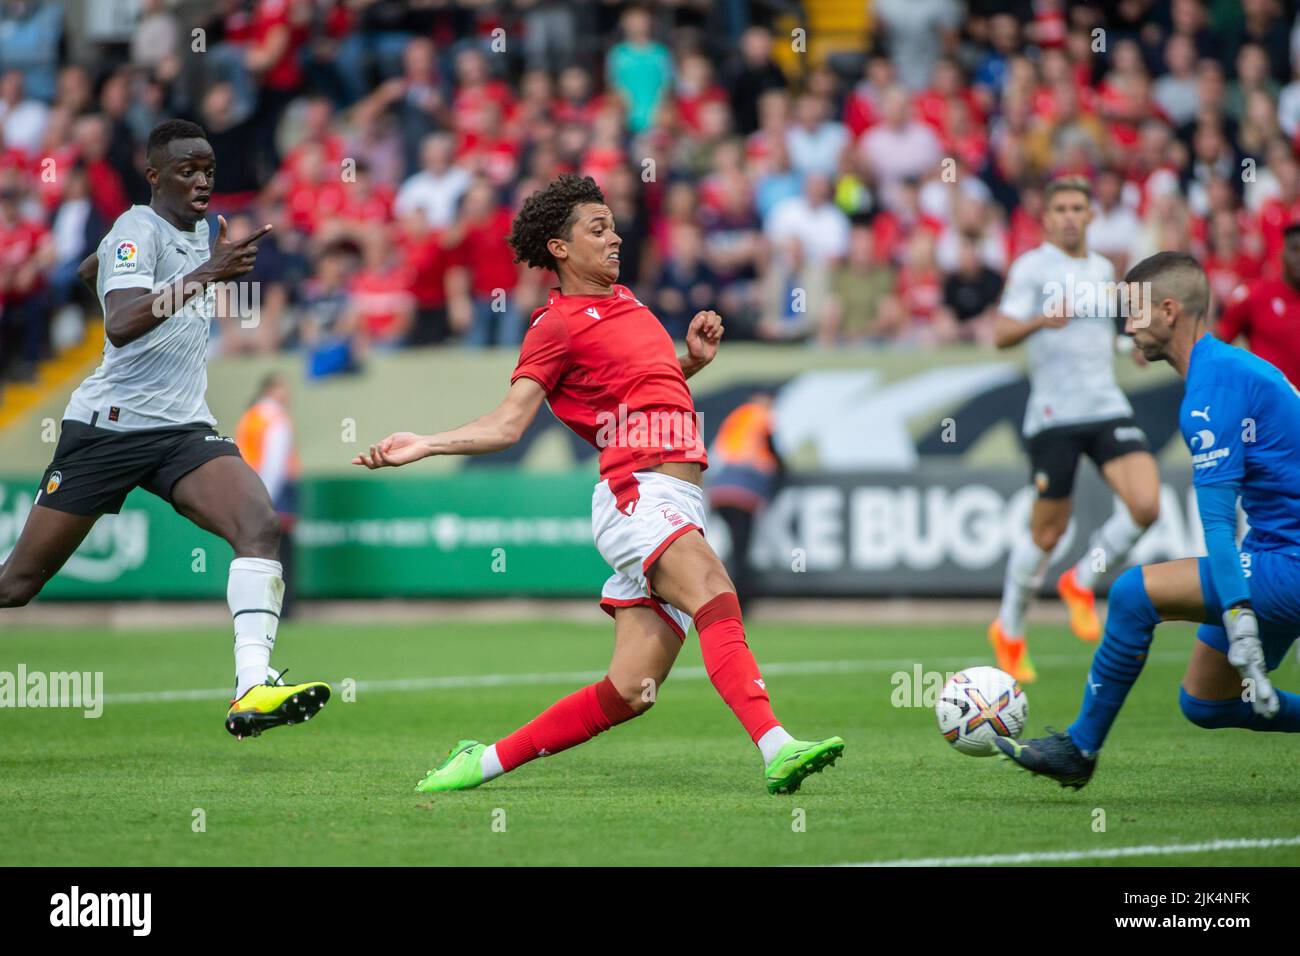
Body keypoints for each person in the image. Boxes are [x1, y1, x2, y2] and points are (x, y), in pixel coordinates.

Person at [354, 174, 843, 795]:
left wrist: (686, 360)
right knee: (717, 591)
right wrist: (426, 442)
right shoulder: (554, 325)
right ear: (560, 248)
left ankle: (481, 761)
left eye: (612, 226)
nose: (615, 238)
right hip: (637, 493)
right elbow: (508, 423)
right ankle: (777, 747)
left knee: (630, 692)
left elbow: (640, 387)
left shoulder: (629, 303)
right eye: (598, 229)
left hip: (675, 497)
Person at [0, 120, 329, 739]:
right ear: (155, 176)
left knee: (258, 523)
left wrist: (112, 267)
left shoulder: (199, 231)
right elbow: (121, 322)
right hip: (108, 429)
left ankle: (252, 687)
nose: (202, 179)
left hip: (182, 429)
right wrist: (209, 273)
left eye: (208, 168)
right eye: (186, 170)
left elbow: (90, 273)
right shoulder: (138, 226)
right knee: (15, 586)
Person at [999, 252, 1300, 788]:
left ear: (1167, 312)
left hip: (1288, 561)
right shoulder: (1229, 370)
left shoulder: (1212, 392)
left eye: (1134, 314)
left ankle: (1080, 749)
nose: (1127, 327)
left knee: (1135, 592)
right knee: (1204, 702)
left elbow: (1216, 527)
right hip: (1275, 550)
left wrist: (1239, 616)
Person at [989, 176, 1161, 684]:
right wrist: (1040, 321)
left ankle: (1082, 582)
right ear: (1046, 217)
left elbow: (1100, 335)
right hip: (1054, 415)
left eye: (1077, 208)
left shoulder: (1104, 269)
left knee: (1147, 505)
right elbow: (1000, 334)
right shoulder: (1031, 268)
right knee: (1048, 532)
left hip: (1106, 405)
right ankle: (1010, 629)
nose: (1068, 216)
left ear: (1090, 216)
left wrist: (1131, 347)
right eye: (1059, 207)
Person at [706, 393, 781, 614]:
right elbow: (775, 453)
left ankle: (723, 595)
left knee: (731, 549)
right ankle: (738, 603)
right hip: (743, 494)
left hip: (719, 491)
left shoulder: (736, 417)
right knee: (741, 553)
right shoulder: (761, 416)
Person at [235, 372, 300, 618]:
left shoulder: (250, 417)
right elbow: (275, 461)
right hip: (276, 491)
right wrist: (267, 497)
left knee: (254, 549)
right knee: (282, 552)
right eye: (282, 388)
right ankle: (284, 607)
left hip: (250, 487)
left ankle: (255, 604)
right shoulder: (275, 418)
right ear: (270, 390)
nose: (287, 395)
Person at [1216, 221, 1300, 386]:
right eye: (1294, 250)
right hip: (1274, 406)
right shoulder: (1254, 296)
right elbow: (1217, 344)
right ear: (1281, 254)